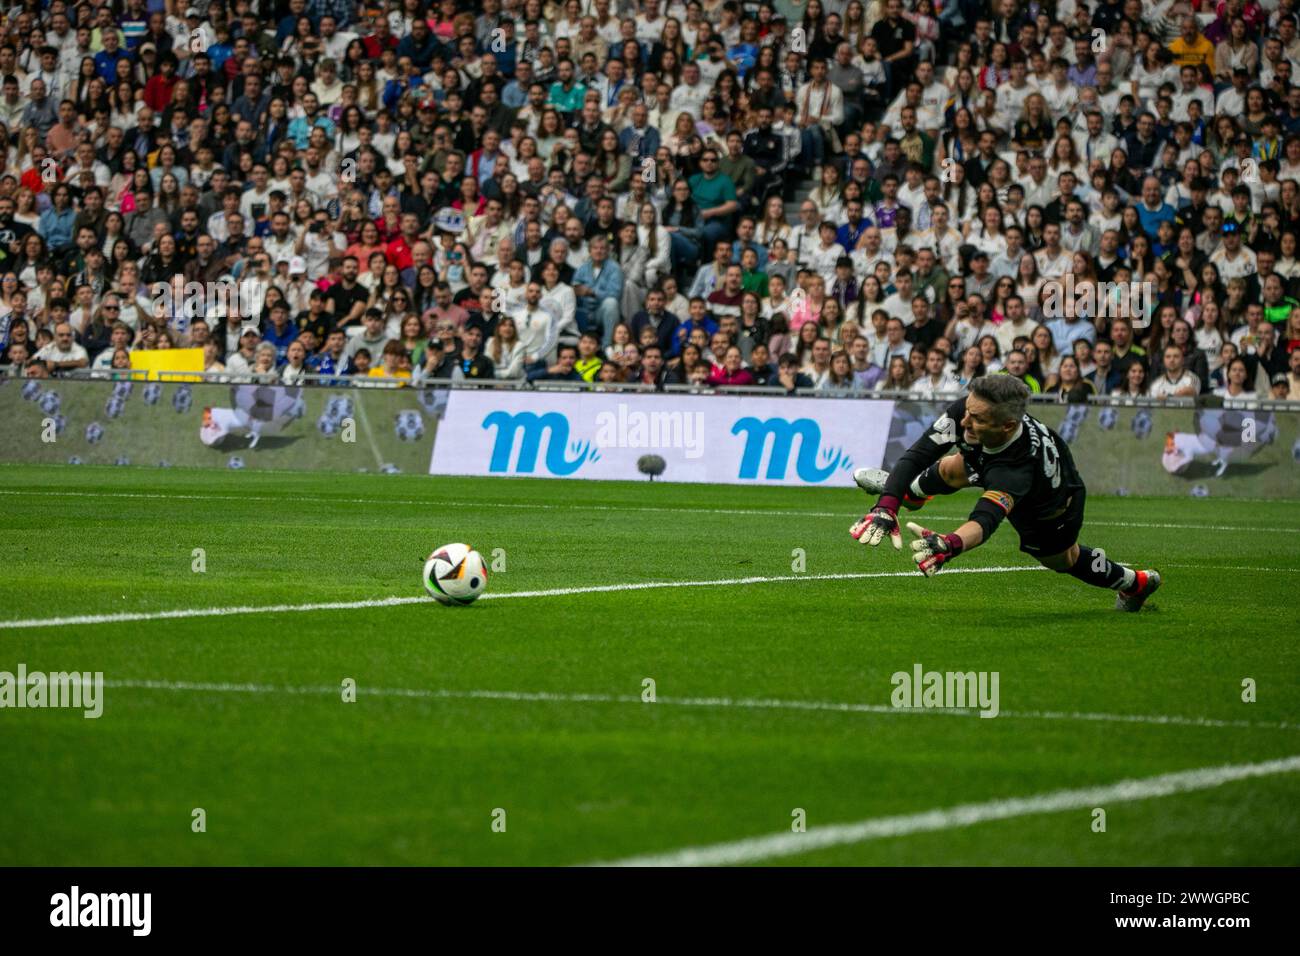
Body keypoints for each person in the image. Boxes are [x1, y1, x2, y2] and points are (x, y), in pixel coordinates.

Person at [850, 375, 1161, 612]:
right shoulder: (973, 412)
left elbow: (985, 520)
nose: (964, 421)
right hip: (990, 456)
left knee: (1064, 559)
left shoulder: (1014, 471)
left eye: (977, 418)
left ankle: (1136, 583)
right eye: (967, 410)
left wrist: (950, 544)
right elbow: (917, 454)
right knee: (949, 467)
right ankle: (909, 495)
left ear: (1008, 425)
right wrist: (886, 507)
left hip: (1048, 506)